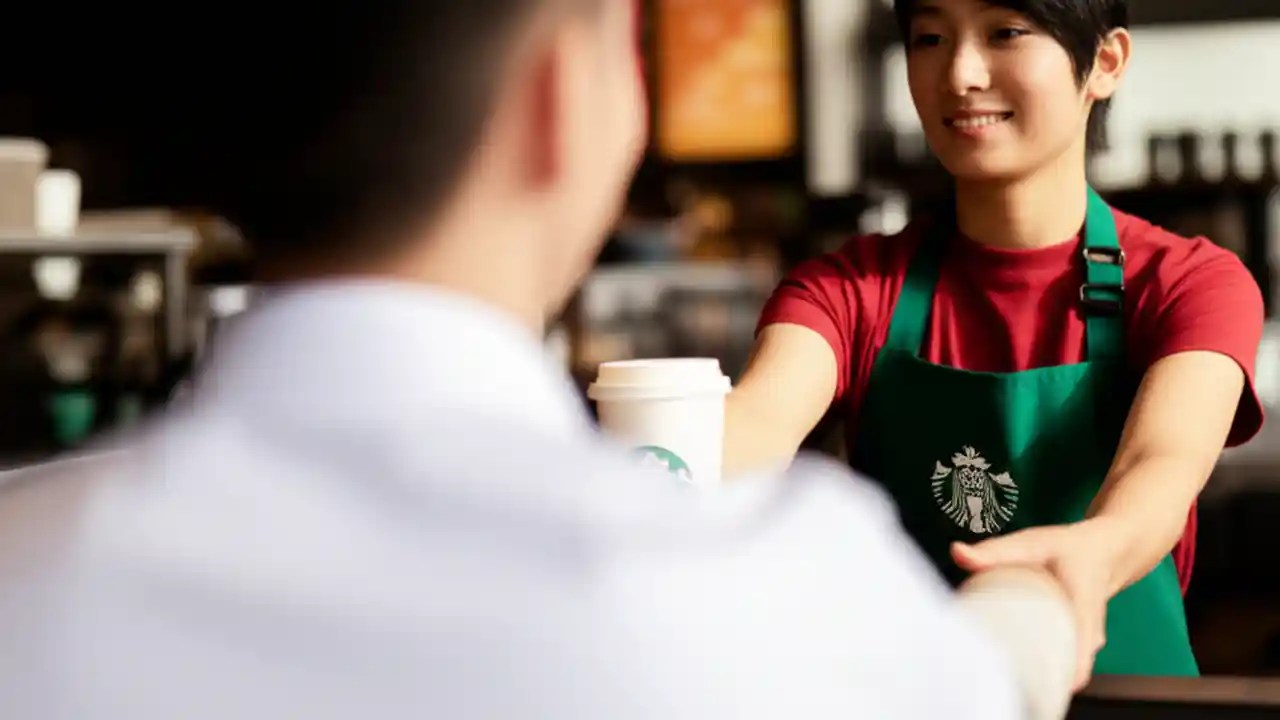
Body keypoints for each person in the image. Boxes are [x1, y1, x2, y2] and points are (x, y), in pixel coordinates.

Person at [0, 2, 1036, 718]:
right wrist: (1021, 616)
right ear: (559, 98)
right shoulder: (790, 597)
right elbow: (960, 683)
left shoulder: (22, 571)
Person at [725, 0, 1264, 690]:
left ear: (1105, 62)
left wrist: (1093, 554)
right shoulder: (850, 290)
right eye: (929, 38)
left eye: (1005, 33)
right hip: (916, 698)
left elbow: (1163, 462)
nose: (960, 73)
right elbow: (756, 423)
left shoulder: (1189, 282)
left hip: (1130, 697)